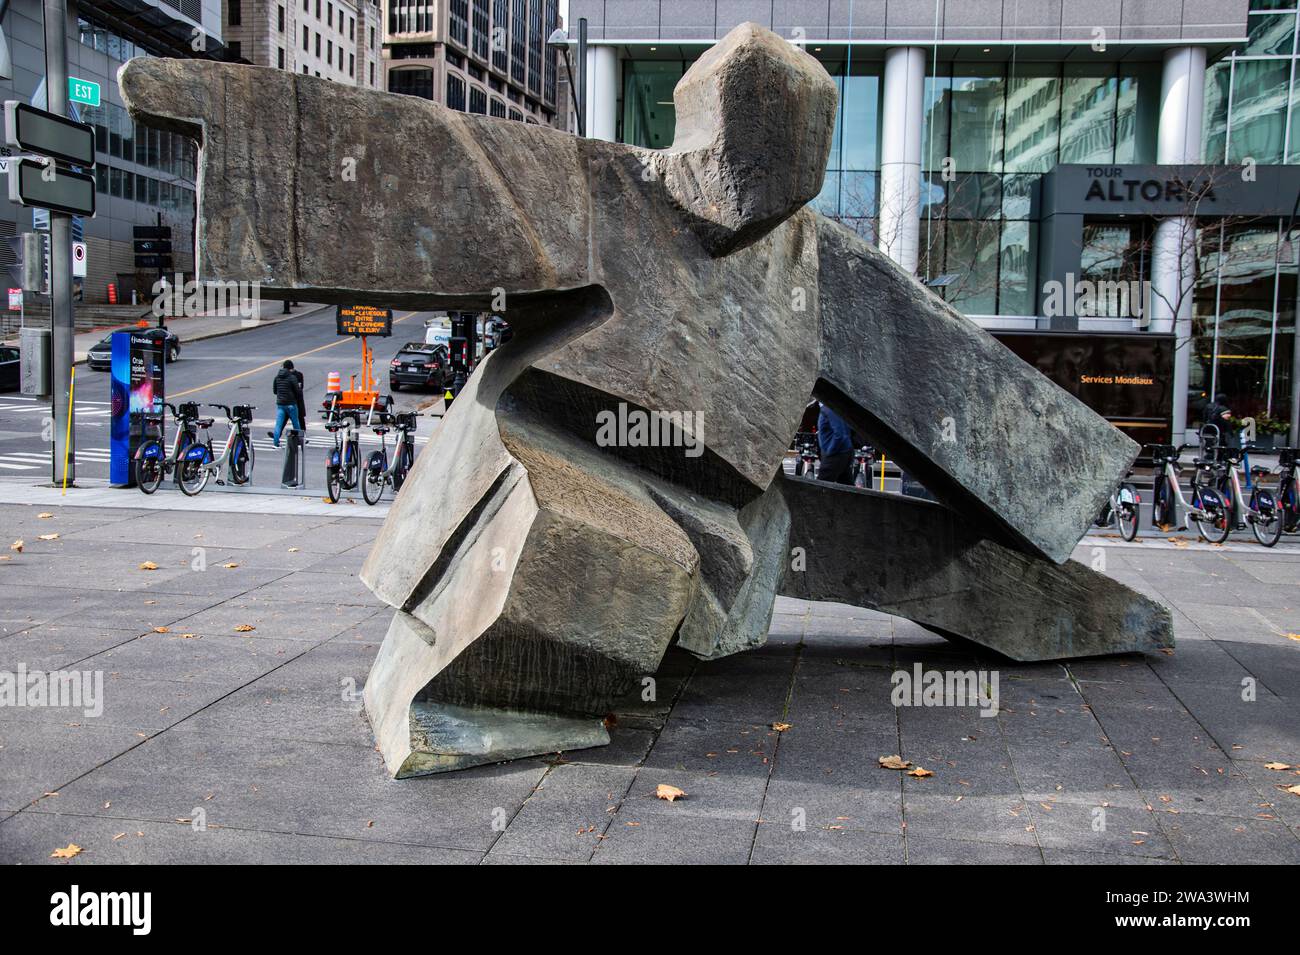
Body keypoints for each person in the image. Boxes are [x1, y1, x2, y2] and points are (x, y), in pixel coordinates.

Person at [816, 402, 855, 485]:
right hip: (843, 452)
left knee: (820, 487)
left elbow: (839, 434)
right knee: (847, 486)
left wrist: (830, 452)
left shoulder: (829, 409)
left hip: (836, 454)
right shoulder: (833, 408)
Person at [269, 359, 303, 448]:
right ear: (290, 368)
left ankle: (276, 443)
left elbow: (275, 391)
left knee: (278, 424)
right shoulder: (292, 378)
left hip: (280, 404)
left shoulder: (277, 377)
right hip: (291, 404)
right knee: (296, 423)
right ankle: (299, 441)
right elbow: (298, 391)